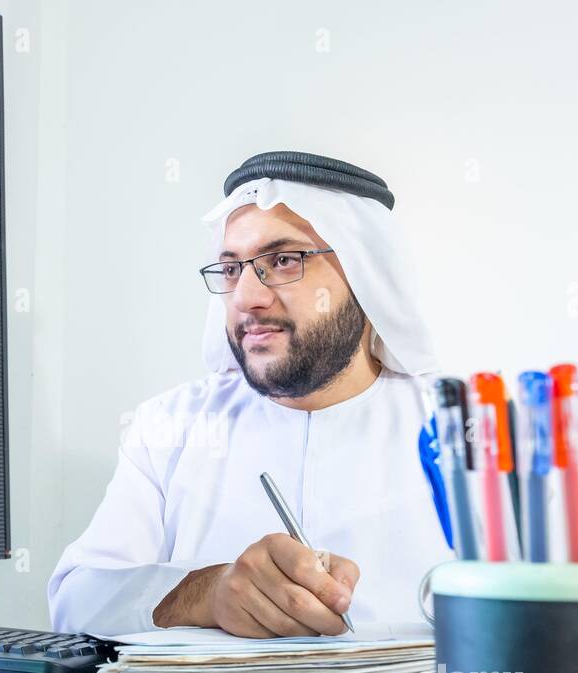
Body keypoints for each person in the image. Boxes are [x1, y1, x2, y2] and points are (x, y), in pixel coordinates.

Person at [48, 152, 451, 637]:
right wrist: (205, 592)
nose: (246, 298)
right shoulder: (171, 427)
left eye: (284, 260)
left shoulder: (470, 429)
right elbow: (74, 604)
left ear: (367, 275)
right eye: (233, 269)